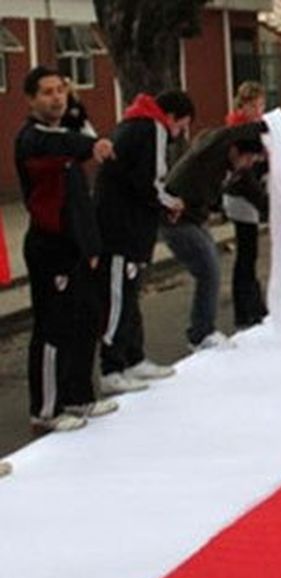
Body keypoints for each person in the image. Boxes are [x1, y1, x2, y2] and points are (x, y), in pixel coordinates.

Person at [15, 66, 117, 432]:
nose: (56, 97)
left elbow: (82, 145)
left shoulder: (67, 132)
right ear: (30, 99)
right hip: (50, 246)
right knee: (53, 329)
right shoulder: (33, 140)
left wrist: (91, 245)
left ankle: (78, 396)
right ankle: (45, 410)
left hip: (78, 245)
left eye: (61, 90)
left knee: (86, 320)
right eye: (47, 92)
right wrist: (91, 145)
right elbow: (68, 145)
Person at [95, 90, 193, 396]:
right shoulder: (153, 128)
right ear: (173, 117)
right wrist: (170, 203)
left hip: (129, 226)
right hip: (120, 229)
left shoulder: (133, 125)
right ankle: (111, 368)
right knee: (118, 298)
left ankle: (133, 357)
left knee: (130, 294)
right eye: (182, 126)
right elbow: (151, 180)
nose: (179, 134)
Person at [162, 124, 268, 351]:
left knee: (211, 268)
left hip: (194, 218)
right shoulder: (212, 150)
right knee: (208, 269)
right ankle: (200, 333)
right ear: (234, 151)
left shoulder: (237, 170)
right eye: (248, 158)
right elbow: (227, 134)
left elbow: (256, 195)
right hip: (175, 219)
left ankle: (202, 330)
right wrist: (271, 125)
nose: (249, 165)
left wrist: (274, 212)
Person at [224, 81, 270, 328]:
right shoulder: (240, 130)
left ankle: (252, 307)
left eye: (261, 105)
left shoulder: (246, 128)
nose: (259, 110)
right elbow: (244, 171)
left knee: (248, 254)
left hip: (246, 196)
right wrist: (265, 206)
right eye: (254, 105)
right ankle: (246, 310)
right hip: (242, 197)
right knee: (246, 253)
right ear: (244, 105)